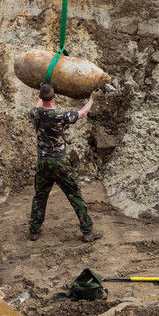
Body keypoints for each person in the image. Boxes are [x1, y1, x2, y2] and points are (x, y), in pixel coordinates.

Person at [27, 82, 100, 243]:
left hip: (43, 162)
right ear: (54, 96)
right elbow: (82, 113)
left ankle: (34, 230)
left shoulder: (35, 113)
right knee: (74, 194)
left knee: (40, 196)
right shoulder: (60, 115)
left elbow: (38, 105)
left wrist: (42, 90)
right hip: (60, 162)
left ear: (40, 96)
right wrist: (92, 100)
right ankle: (87, 231)